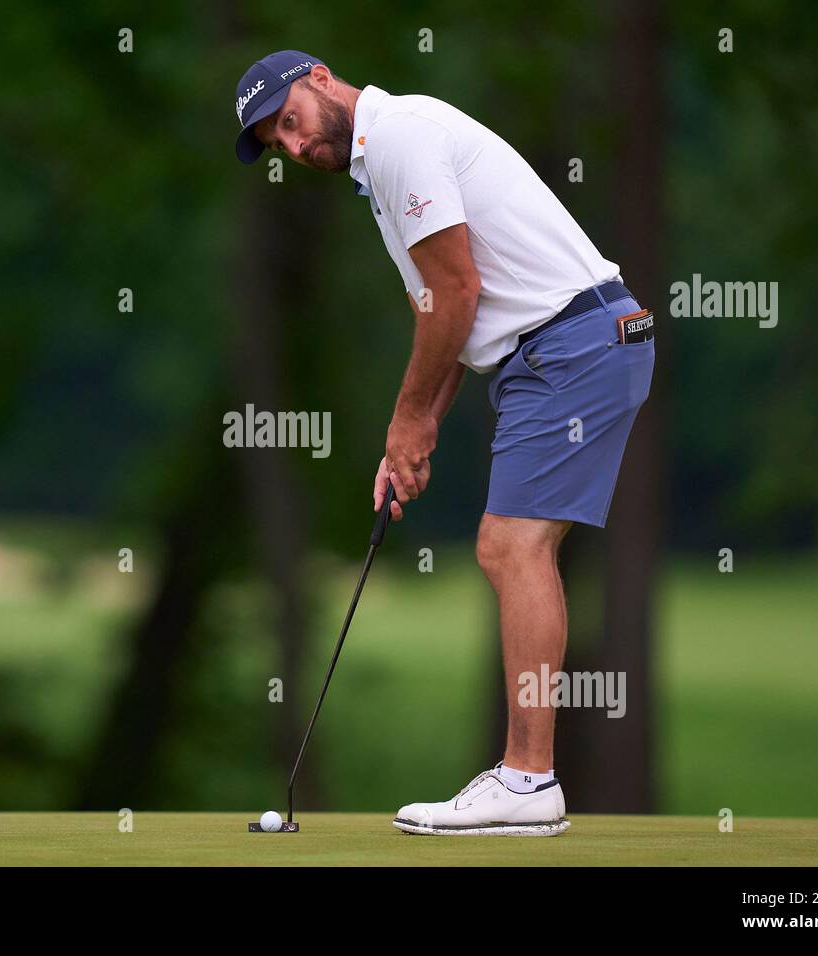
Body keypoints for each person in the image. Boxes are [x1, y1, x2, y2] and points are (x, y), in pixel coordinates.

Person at [234, 50, 654, 835]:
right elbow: (452, 314)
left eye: (288, 122)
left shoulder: (399, 138)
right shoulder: (383, 170)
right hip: (568, 345)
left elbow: (457, 292)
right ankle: (530, 784)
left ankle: (528, 785)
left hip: (573, 343)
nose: (292, 147)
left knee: (510, 547)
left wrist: (408, 420)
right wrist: (411, 443)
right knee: (516, 546)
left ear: (320, 79)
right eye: (276, 146)